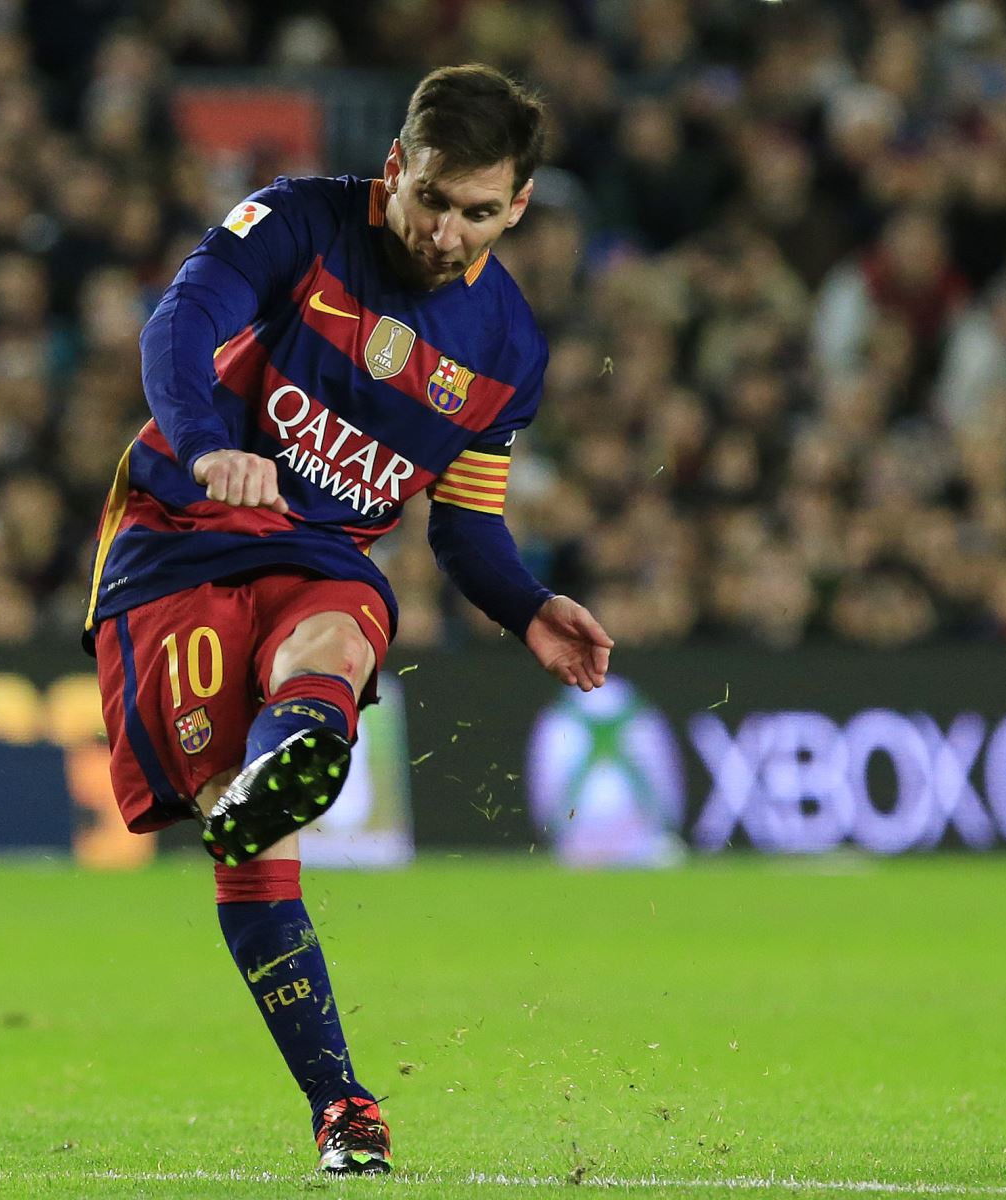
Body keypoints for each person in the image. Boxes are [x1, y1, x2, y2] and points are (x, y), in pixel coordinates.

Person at [84, 64, 614, 1174]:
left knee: (344, 625)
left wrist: (528, 608)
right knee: (239, 835)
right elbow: (180, 325)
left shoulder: (507, 351)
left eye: (479, 212)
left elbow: (465, 529)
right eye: (433, 200)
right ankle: (278, 766)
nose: (447, 233)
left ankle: (344, 1109)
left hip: (320, 555)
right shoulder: (296, 222)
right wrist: (207, 442)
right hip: (176, 539)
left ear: (517, 206)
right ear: (395, 171)